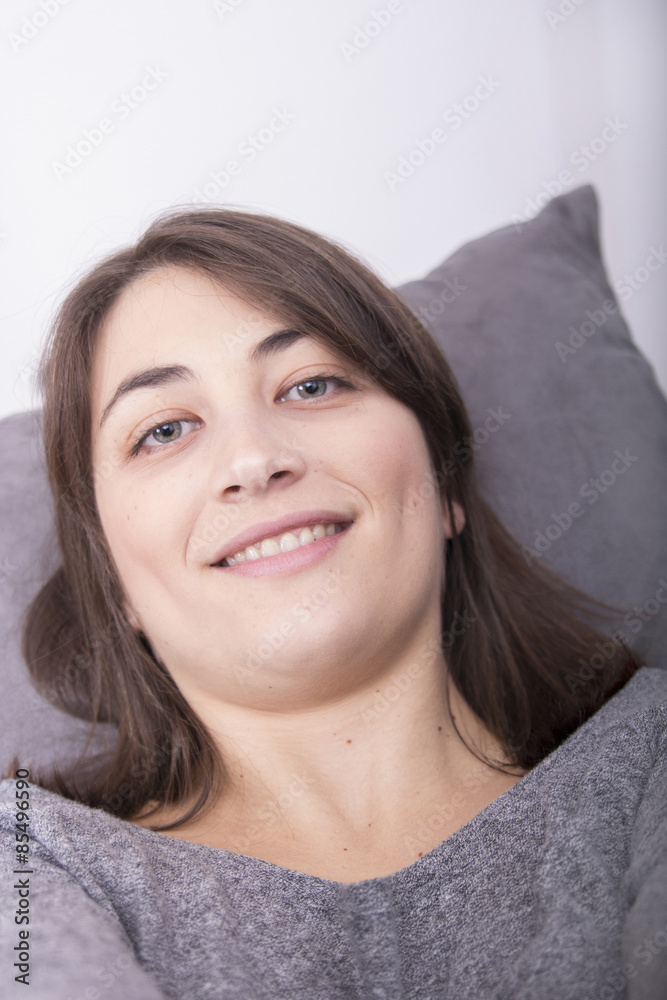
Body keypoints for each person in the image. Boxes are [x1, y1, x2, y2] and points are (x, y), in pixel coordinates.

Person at [1, 207, 665, 1000]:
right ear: (113, 583)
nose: (253, 460)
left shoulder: (647, 757)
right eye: (165, 430)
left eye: (311, 385)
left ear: (446, 480)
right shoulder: (27, 865)